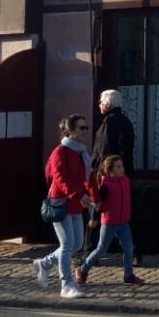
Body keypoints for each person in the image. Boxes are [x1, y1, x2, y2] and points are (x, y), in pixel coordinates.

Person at [35, 114, 93, 298]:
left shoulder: (81, 152)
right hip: (61, 202)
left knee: (76, 244)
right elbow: (60, 179)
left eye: (86, 128)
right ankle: (66, 284)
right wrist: (79, 194)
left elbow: (87, 178)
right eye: (81, 128)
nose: (85, 131)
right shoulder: (60, 152)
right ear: (70, 131)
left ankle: (44, 264)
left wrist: (92, 196)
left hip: (75, 203)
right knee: (67, 244)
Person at [84, 88, 136, 263]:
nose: (99, 105)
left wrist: (98, 169)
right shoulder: (126, 121)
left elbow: (104, 150)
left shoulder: (108, 123)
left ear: (107, 104)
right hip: (124, 173)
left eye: (100, 102)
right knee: (123, 213)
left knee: (97, 210)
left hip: (107, 175)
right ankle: (133, 252)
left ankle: (89, 254)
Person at [76, 154, 144, 287]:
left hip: (123, 221)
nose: (122, 169)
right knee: (101, 249)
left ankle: (128, 275)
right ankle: (83, 269)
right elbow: (97, 203)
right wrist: (94, 218)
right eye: (118, 167)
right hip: (109, 222)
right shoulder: (105, 186)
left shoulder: (125, 180)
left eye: (122, 166)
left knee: (129, 248)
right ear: (110, 171)